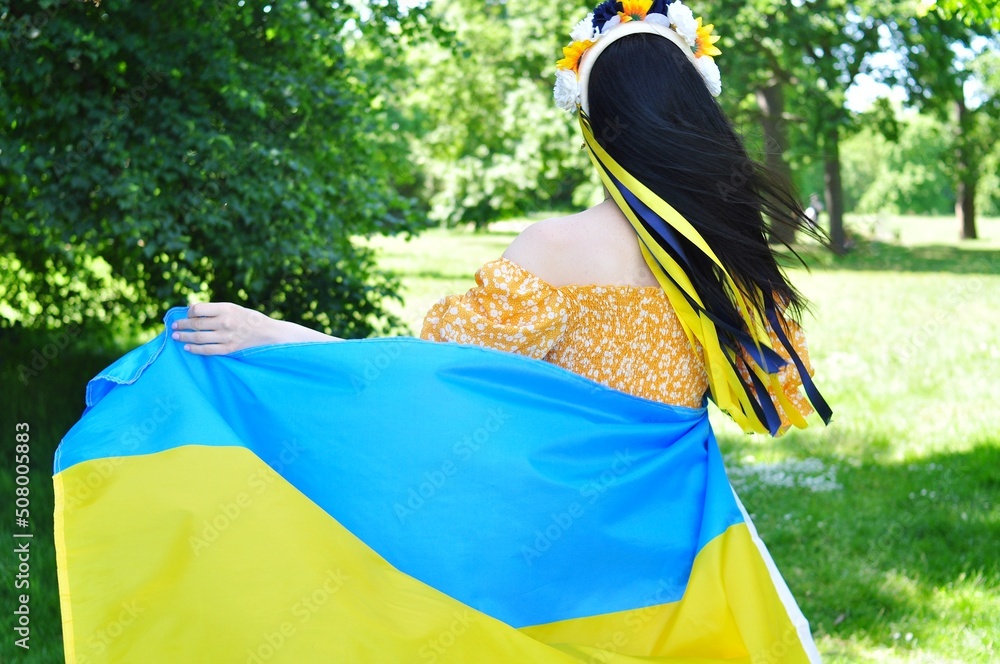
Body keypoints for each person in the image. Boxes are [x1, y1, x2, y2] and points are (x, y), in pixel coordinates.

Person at [55, 2, 830, 662]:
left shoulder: (556, 249)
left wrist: (280, 337)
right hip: (683, 552)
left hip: (553, 558)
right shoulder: (727, 257)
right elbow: (770, 400)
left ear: (595, 127)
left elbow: (428, 378)